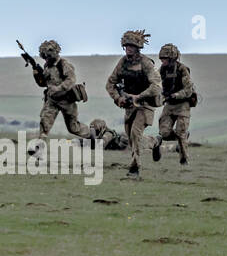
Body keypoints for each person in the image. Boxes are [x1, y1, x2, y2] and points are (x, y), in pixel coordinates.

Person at [104, 30, 162, 179]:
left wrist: (139, 96)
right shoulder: (123, 62)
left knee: (135, 135)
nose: (128, 48)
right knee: (131, 138)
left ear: (138, 47)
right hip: (129, 106)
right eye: (126, 46)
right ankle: (155, 142)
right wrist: (118, 98)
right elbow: (110, 83)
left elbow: (156, 86)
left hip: (145, 105)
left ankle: (134, 168)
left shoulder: (146, 63)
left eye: (132, 46)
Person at [22, 39, 93, 156]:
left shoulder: (64, 65)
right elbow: (43, 83)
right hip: (52, 101)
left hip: (67, 101)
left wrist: (58, 88)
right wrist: (35, 71)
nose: (46, 58)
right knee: (44, 124)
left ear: (54, 53)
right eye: (44, 56)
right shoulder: (47, 66)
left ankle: (91, 135)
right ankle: (38, 150)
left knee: (73, 128)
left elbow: (71, 80)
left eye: (47, 56)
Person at [149, 43, 197, 166]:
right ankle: (181, 138)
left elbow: (188, 89)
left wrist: (175, 95)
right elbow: (155, 84)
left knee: (181, 132)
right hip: (169, 105)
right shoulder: (162, 70)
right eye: (161, 59)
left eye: (165, 59)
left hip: (183, 105)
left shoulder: (182, 69)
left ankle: (184, 161)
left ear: (172, 58)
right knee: (164, 132)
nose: (163, 61)